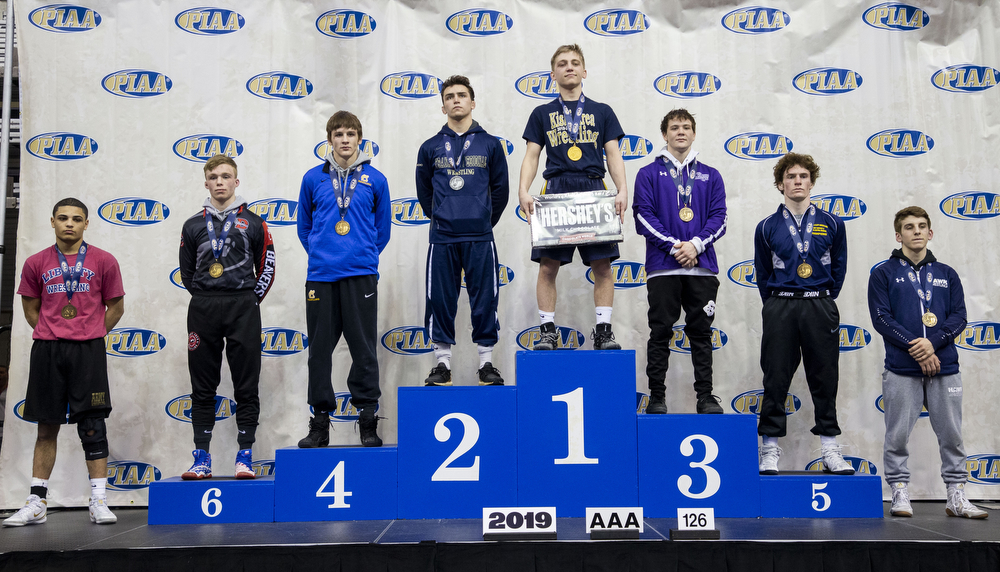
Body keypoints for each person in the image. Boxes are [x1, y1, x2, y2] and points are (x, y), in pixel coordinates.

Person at [4, 198, 125, 527]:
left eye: (76, 218)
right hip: (49, 350)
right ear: (52, 222)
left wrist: (90, 333)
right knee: (46, 427)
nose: (69, 223)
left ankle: (98, 500)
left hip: (88, 351)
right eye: (62, 218)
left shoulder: (104, 260)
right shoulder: (35, 262)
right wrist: (53, 332)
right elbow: (31, 309)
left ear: (86, 224)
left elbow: (116, 307)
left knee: (93, 427)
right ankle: (37, 502)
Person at [868, 206, 986, 519]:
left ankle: (956, 496)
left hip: (944, 367)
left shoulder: (947, 274)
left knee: (952, 435)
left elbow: (960, 316)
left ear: (930, 233)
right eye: (909, 227)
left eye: (922, 226)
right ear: (898, 235)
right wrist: (917, 347)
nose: (916, 231)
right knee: (897, 435)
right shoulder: (882, 273)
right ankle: (899, 492)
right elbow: (881, 318)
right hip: (901, 369)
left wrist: (932, 343)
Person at [517, 43, 629, 351]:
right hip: (556, 190)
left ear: (584, 71)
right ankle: (547, 331)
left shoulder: (602, 111)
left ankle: (604, 331)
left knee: (602, 266)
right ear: (553, 74)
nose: (569, 67)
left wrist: (622, 189)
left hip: (594, 188)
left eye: (575, 62)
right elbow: (531, 156)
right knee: (547, 267)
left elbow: (613, 154)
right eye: (563, 63)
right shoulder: (541, 113)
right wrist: (523, 189)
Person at [753, 153, 853, 475]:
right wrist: (775, 304)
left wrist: (821, 296)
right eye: (791, 176)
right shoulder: (766, 227)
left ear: (811, 182)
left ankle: (830, 450)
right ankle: (769, 449)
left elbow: (838, 268)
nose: (797, 181)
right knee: (775, 378)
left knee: (825, 378)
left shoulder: (833, 223)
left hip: (818, 304)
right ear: (780, 184)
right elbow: (762, 273)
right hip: (780, 305)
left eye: (803, 176)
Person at [297, 111, 391, 448]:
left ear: (360, 140)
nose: (345, 140)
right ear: (330, 140)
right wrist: (322, 253)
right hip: (321, 276)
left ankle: (367, 420)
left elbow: (382, 230)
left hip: (360, 275)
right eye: (339, 134)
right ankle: (320, 424)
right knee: (319, 352)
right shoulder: (313, 178)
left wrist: (361, 255)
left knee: (363, 349)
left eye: (351, 134)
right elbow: (304, 228)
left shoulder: (376, 179)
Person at [178, 154, 276, 479]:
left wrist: (249, 300)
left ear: (236, 181)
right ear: (206, 183)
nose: (220, 182)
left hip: (243, 307)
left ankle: (245, 455)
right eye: (213, 177)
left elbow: (267, 267)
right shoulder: (193, 225)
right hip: (203, 308)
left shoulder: (255, 222)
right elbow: (186, 272)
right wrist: (207, 297)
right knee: (202, 386)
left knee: (246, 385)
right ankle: (201, 458)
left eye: (225, 176)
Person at [416, 75, 510, 386]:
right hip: (442, 236)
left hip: (480, 235)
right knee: (440, 300)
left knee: (485, 300)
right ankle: (442, 364)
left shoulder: (490, 144)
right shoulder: (429, 147)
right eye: (449, 96)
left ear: (473, 102)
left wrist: (482, 219)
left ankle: (486, 363)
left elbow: (501, 190)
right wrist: (442, 217)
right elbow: (424, 193)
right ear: (443, 106)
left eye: (461, 95)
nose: (456, 100)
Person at [633, 109, 728, 414]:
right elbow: (643, 216)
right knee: (661, 331)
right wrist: (677, 247)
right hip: (663, 267)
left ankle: (706, 397)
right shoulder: (648, 174)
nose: (681, 132)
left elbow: (720, 218)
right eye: (674, 127)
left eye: (686, 127)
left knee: (701, 334)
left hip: (702, 268)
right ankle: (657, 397)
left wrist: (696, 245)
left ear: (694, 133)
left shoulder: (711, 175)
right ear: (665, 134)